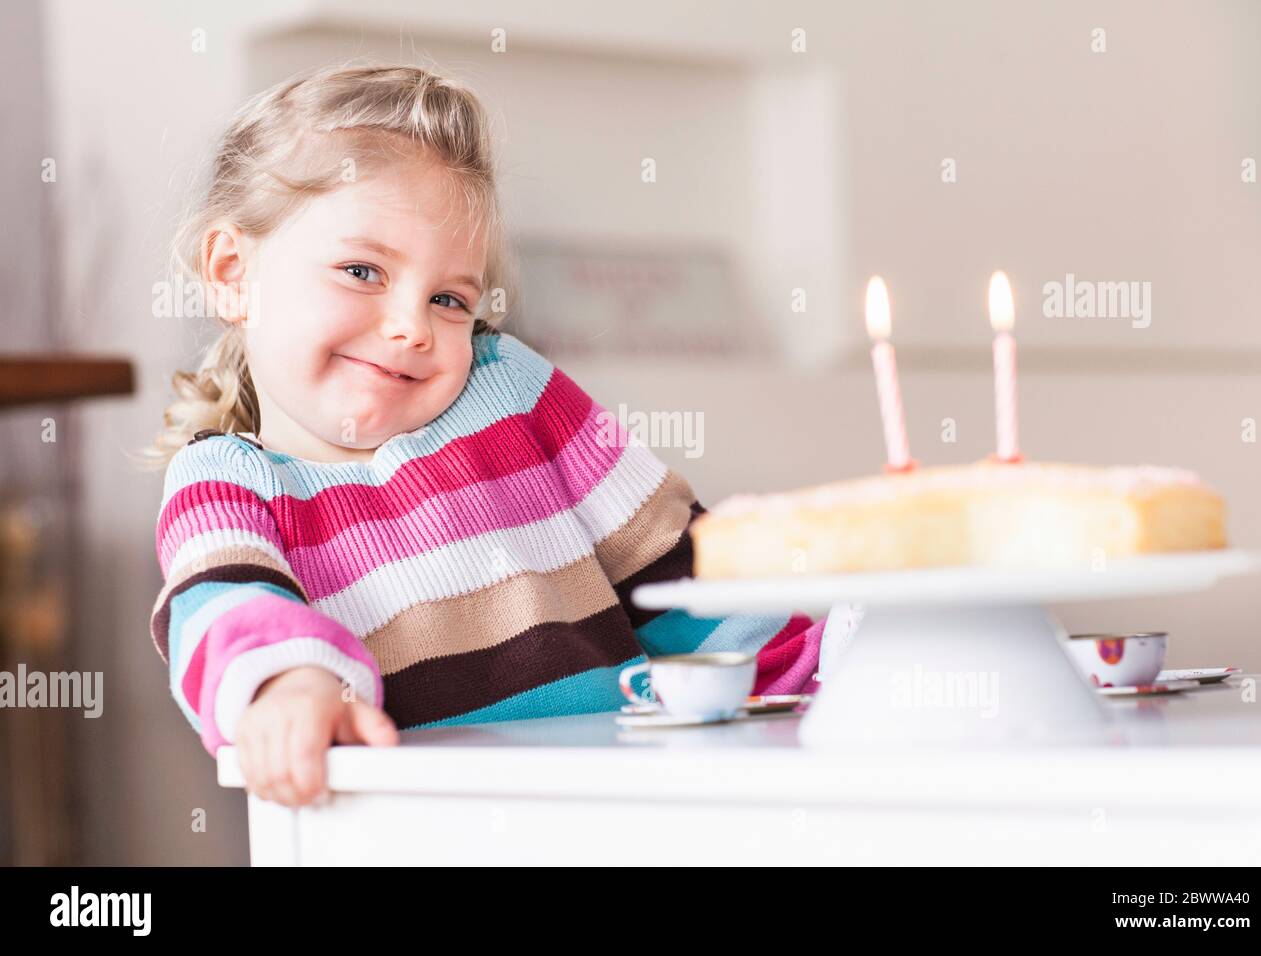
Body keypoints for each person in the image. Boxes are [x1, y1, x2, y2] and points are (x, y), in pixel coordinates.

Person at [140, 62, 827, 809]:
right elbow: (228, 611)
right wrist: (289, 684)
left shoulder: (512, 391)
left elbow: (684, 574)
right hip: (412, 835)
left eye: (447, 298)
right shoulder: (224, 483)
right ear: (233, 272)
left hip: (634, 813)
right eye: (362, 271)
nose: (410, 327)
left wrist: (840, 662)